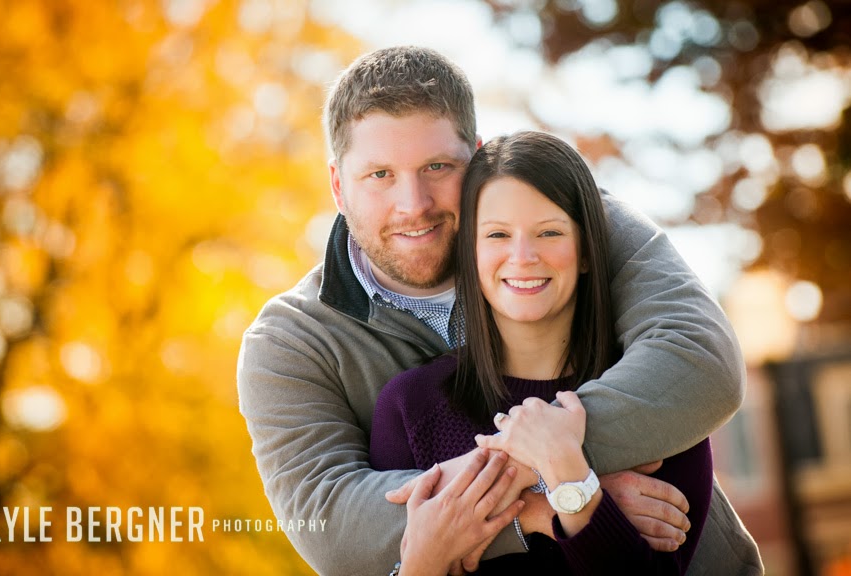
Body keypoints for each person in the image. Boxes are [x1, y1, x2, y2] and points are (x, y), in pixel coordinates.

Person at [237, 45, 763, 575]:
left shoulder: (566, 220)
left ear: (478, 156)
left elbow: (701, 362)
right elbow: (331, 526)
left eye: (438, 166)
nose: (414, 203)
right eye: (379, 175)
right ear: (337, 186)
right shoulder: (289, 342)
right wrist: (558, 493)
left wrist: (545, 468)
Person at [370, 131, 713, 574]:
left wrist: (565, 467)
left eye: (548, 232)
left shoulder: (657, 398)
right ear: (469, 254)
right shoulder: (410, 406)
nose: (523, 256)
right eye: (497, 234)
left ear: (587, 250)